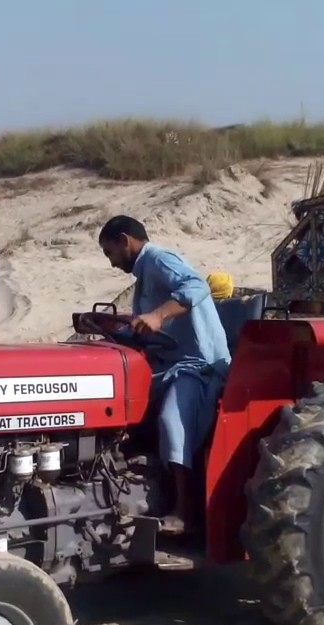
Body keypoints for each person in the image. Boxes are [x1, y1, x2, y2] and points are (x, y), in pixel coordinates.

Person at [97, 215, 231, 536]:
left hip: (197, 365)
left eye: (110, 252)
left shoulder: (159, 259)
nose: (111, 262)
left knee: (172, 420)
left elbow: (196, 286)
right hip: (168, 364)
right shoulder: (146, 274)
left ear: (125, 240)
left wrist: (158, 315)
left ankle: (184, 510)